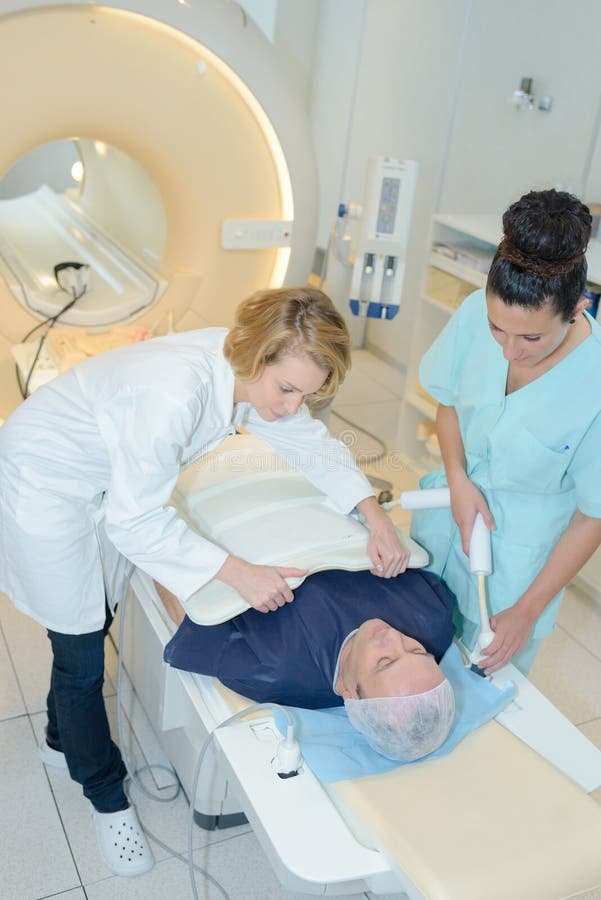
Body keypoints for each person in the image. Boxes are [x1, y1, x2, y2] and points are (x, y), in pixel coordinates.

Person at [0, 286, 407, 878]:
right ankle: (105, 796)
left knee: (93, 618)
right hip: (44, 479)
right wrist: (239, 572)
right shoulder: (176, 392)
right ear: (257, 357)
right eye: (286, 389)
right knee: (82, 649)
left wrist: (374, 515)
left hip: (102, 482)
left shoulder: (248, 377)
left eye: (307, 393)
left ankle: (61, 741)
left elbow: (311, 444)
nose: (294, 405)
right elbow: (136, 521)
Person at [411, 189, 601, 676]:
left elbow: (592, 515)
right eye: (499, 330)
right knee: (418, 650)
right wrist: (457, 477)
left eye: (531, 338)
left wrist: (528, 610)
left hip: (521, 573)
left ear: (578, 307)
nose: (509, 351)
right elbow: (449, 400)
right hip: (447, 526)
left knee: (486, 687)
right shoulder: (477, 311)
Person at [161, 567, 456, 761]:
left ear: (348, 691)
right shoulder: (430, 618)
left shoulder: (270, 667)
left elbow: (185, 605)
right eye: (416, 651)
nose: (393, 637)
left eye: (384, 661)